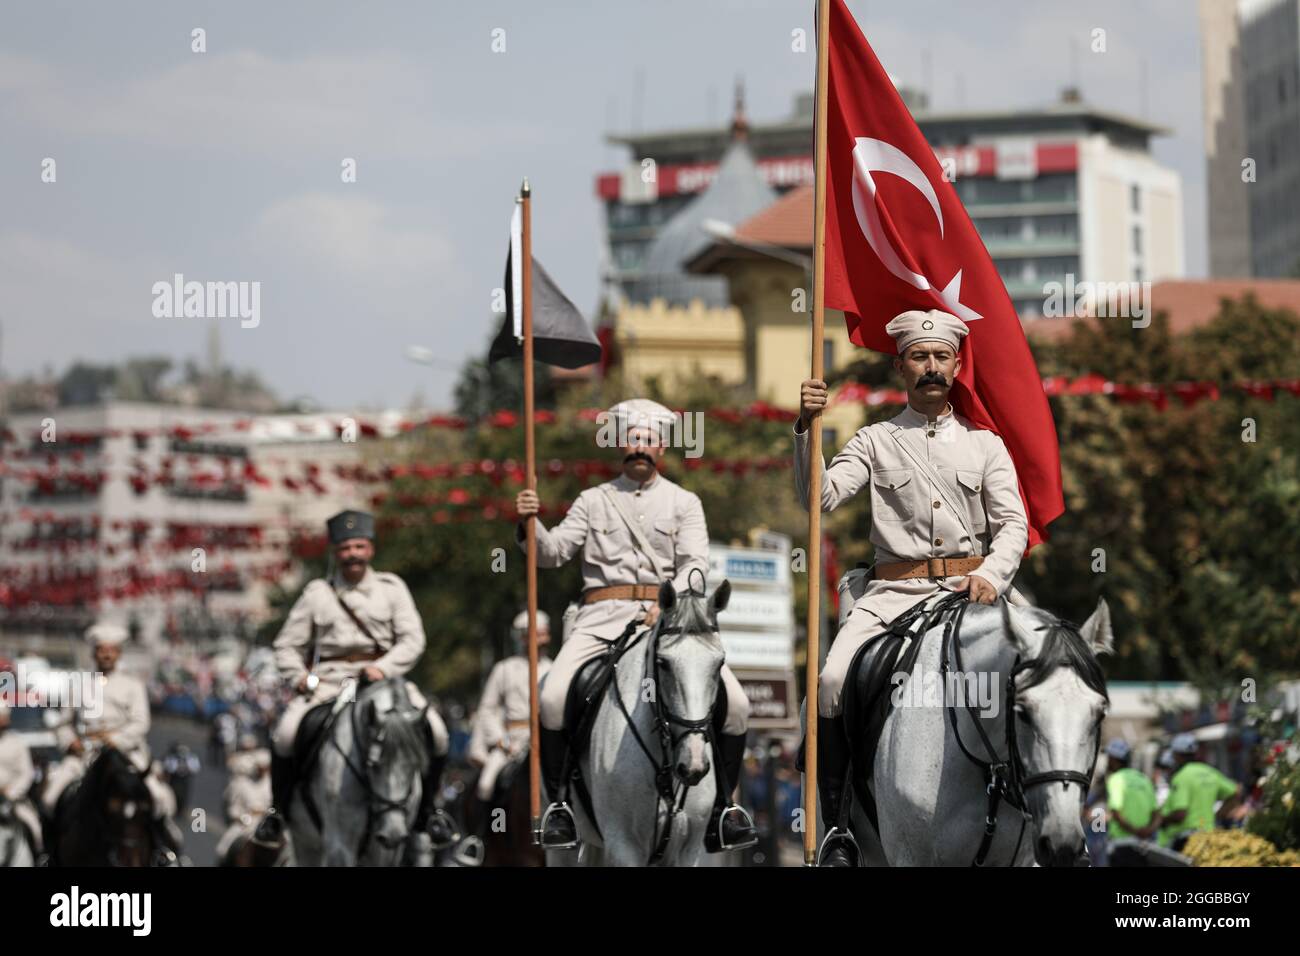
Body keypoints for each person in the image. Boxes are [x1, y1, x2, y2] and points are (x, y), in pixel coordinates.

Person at [795, 309, 1030, 866]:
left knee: (1044, 675)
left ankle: (1047, 824)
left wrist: (990, 577)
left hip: (973, 592)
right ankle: (840, 829)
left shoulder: (985, 445)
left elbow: (1013, 525)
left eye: (941, 357)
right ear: (900, 366)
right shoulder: (876, 440)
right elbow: (820, 498)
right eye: (920, 358)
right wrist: (806, 429)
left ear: (955, 365)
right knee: (829, 682)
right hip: (893, 596)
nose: (931, 367)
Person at [514, 398, 755, 852]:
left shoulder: (685, 502)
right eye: (633, 438)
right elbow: (552, 553)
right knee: (549, 697)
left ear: (662, 447)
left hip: (667, 625)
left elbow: (695, 567)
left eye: (650, 439)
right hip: (599, 622)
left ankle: (723, 809)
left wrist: (668, 605)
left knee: (738, 705)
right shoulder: (593, 500)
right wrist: (530, 523)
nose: (640, 446)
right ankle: (561, 805)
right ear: (620, 443)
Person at [253, 510, 455, 851]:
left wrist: (385, 668)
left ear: (370, 550)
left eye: (359, 546)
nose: (353, 554)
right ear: (335, 553)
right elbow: (286, 645)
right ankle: (278, 812)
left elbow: (413, 640)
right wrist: (301, 678)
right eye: (345, 547)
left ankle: (428, 812)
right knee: (285, 734)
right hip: (330, 684)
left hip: (384, 682)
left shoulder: (392, 589)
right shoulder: (317, 593)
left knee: (437, 731)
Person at [41, 623, 183, 855]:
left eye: (112, 650)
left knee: (160, 798)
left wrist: (114, 741)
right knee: (49, 798)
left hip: (126, 756)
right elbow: (63, 724)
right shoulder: (79, 685)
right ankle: (49, 855)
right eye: (101, 649)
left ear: (118, 653)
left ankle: (163, 851)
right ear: (94, 653)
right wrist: (70, 742)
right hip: (85, 756)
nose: (106, 654)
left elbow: (140, 723)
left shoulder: (132, 685)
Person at [467, 610, 553, 802]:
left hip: (544, 742)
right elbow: (487, 710)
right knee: (485, 785)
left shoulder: (554, 668)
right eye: (535, 635)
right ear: (523, 637)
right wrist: (502, 741)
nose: (540, 640)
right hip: (511, 743)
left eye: (543, 634)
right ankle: (486, 830)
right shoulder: (504, 669)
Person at [1153, 733, 1242, 850]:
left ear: (1177, 754)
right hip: (1208, 835)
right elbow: (1236, 791)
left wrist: (1161, 820)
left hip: (1185, 839)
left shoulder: (1182, 776)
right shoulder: (1209, 772)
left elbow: (1180, 814)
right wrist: (1217, 816)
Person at [0, 701, 43, 857]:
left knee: (33, 825)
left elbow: (26, 773)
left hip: (11, 801)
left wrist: (9, 793)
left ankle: (38, 856)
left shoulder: (17, 743)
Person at [1102, 739, 1157, 842]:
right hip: (1145, 844)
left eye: (1109, 757)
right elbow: (1156, 813)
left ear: (1114, 759)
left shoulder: (1116, 779)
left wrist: (1136, 832)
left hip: (1121, 842)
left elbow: (1116, 812)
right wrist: (1148, 831)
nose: (1107, 761)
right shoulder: (1143, 778)